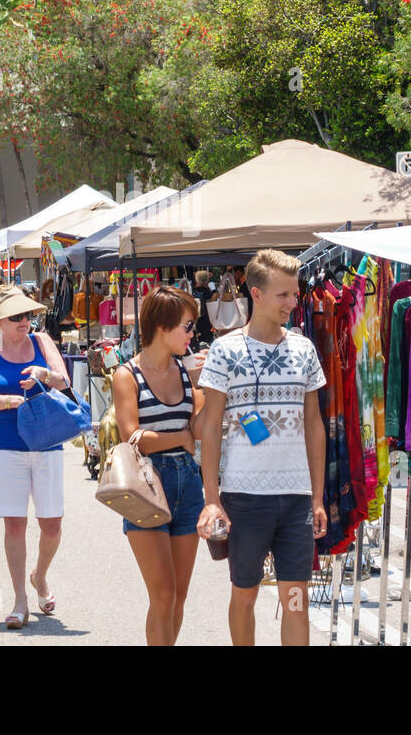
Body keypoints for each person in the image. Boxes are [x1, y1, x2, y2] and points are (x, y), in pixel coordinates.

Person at [196, 249, 328, 647]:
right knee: (245, 592)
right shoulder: (225, 351)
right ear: (256, 293)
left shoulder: (304, 349)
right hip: (245, 497)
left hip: (296, 499)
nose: (293, 302)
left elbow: (314, 425)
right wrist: (212, 500)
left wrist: (317, 497)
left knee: (295, 598)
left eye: (295, 293)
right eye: (284, 294)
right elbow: (212, 428)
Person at [0, 284, 71, 629]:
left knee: (52, 523)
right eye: (16, 316)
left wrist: (44, 375)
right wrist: (13, 401)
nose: (25, 321)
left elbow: (64, 381)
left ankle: (40, 576)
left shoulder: (43, 342)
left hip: (45, 439)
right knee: (14, 523)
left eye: (28, 314)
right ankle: (20, 600)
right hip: (5, 443)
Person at [111, 285, 207, 645]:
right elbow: (132, 437)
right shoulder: (127, 375)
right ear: (162, 327)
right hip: (147, 484)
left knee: (178, 597)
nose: (192, 334)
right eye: (187, 326)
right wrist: (180, 438)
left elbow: (197, 430)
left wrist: (205, 386)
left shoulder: (186, 371)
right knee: (163, 595)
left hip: (187, 482)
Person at [191, 270, 215, 348]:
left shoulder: (192, 293)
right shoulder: (211, 294)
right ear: (207, 280)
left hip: (195, 325)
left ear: (197, 280)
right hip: (208, 325)